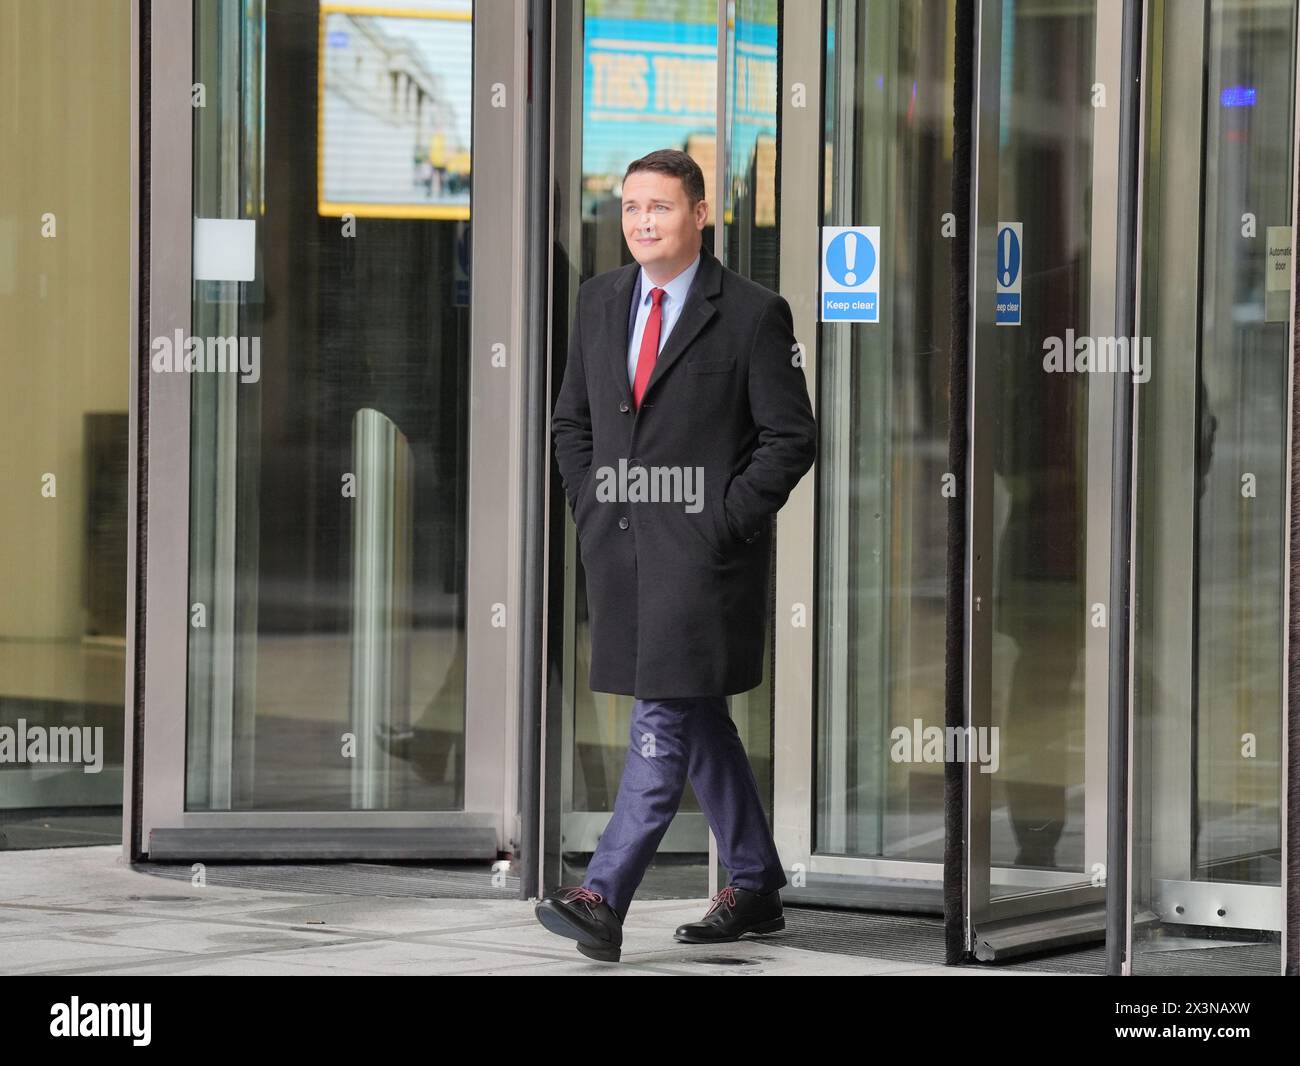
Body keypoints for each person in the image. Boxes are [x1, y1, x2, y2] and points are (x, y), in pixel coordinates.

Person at [537, 148, 817, 962]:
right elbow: (572, 421)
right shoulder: (598, 301)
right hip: (621, 553)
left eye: (658, 206)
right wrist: (591, 500)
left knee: (660, 716)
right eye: (629, 207)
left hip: (702, 561)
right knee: (693, 714)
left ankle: (603, 893)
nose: (641, 222)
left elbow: (789, 436)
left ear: (700, 214)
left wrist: (722, 521)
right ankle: (756, 882)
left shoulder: (754, 314)